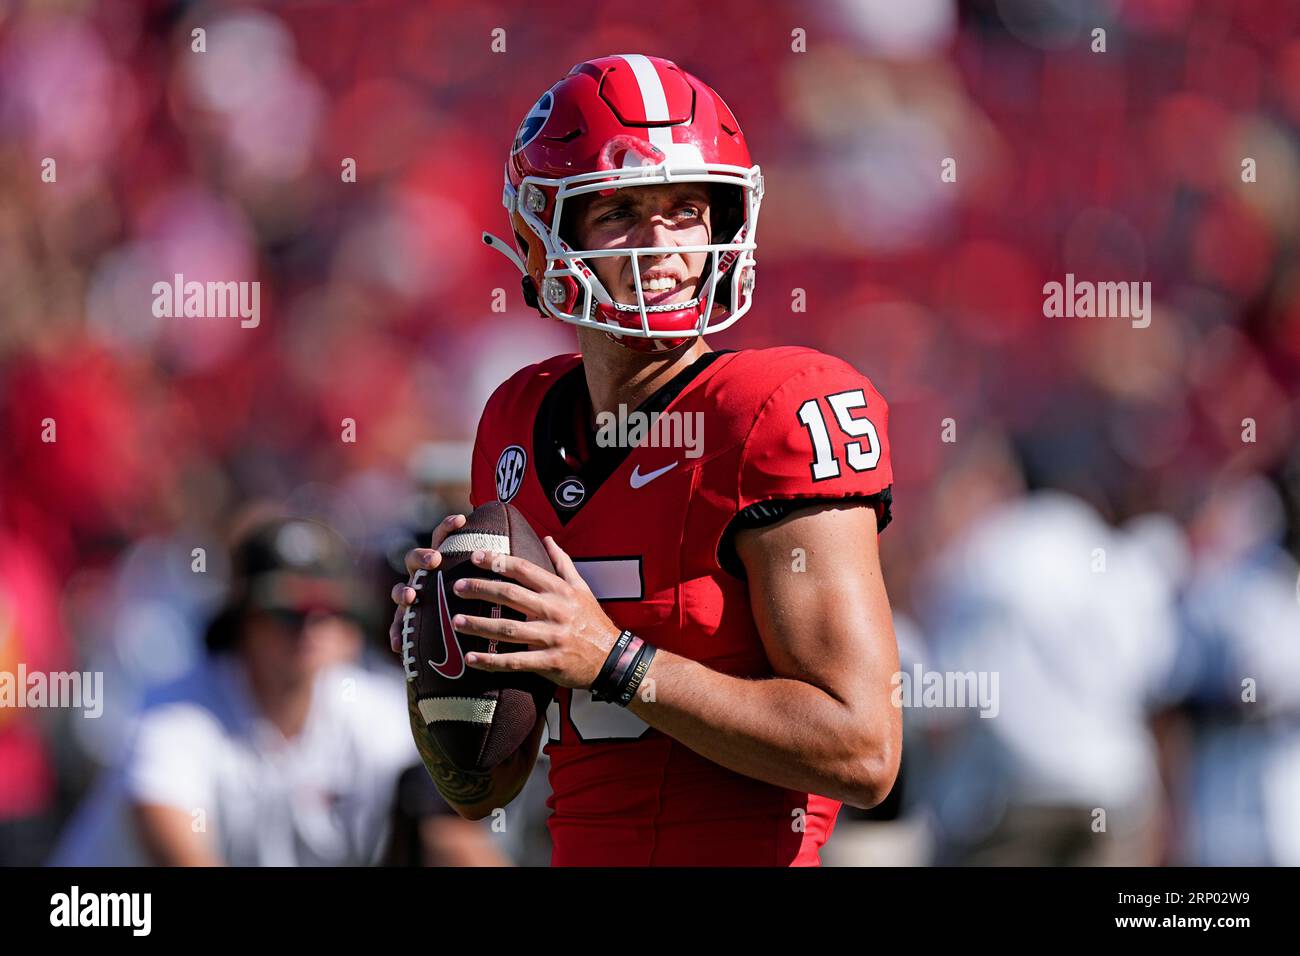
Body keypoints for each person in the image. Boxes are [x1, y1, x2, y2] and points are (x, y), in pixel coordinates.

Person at [389, 55, 901, 866]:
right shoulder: (516, 418)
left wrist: (615, 661)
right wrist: (450, 671)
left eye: (687, 208)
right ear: (545, 236)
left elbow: (863, 750)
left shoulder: (776, 409)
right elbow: (481, 791)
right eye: (622, 210)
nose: (660, 246)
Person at [52, 516, 499, 866]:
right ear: (242, 625)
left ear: (348, 629)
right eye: (285, 612)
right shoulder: (178, 717)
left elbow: (449, 838)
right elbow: (174, 848)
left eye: (324, 610)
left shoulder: (371, 712)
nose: (307, 629)